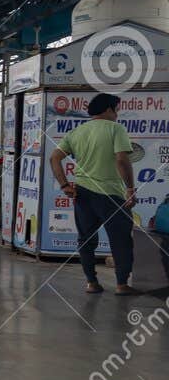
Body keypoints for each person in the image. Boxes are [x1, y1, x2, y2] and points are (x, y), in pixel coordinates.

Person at [49, 92, 139, 295]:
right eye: (117, 109)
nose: (117, 114)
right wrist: (130, 188)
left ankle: (91, 283)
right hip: (111, 195)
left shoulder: (77, 132)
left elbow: (54, 158)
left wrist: (65, 186)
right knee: (121, 240)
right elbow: (122, 160)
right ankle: (122, 284)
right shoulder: (116, 129)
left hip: (82, 194)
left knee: (86, 239)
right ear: (108, 109)